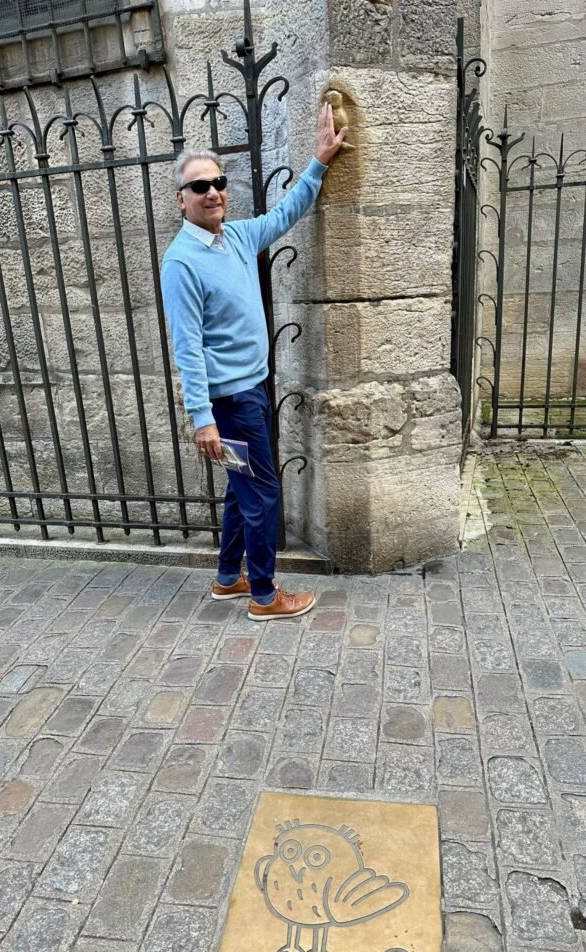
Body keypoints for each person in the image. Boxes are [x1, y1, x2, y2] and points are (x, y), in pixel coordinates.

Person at [161, 103, 346, 620]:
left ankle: (228, 579)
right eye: (200, 186)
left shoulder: (237, 236)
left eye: (218, 181)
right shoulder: (180, 263)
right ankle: (265, 596)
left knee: (242, 488)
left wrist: (319, 162)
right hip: (230, 401)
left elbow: (285, 214)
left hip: (254, 389)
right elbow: (187, 345)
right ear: (182, 199)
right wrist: (202, 419)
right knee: (263, 493)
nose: (213, 192)